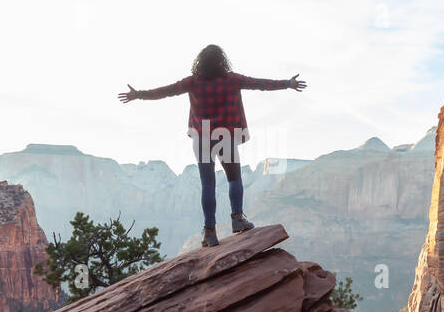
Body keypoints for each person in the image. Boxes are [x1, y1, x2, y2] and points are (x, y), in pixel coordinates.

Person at [118, 45, 306, 247]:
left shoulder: (193, 82)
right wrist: (288, 83)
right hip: (226, 135)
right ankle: (237, 218)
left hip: (202, 136)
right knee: (234, 178)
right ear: (222, 61)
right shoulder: (232, 79)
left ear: (200, 62)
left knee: (208, 183)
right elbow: (260, 84)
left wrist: (138, 94)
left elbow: (165, 91)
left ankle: (209, 232)